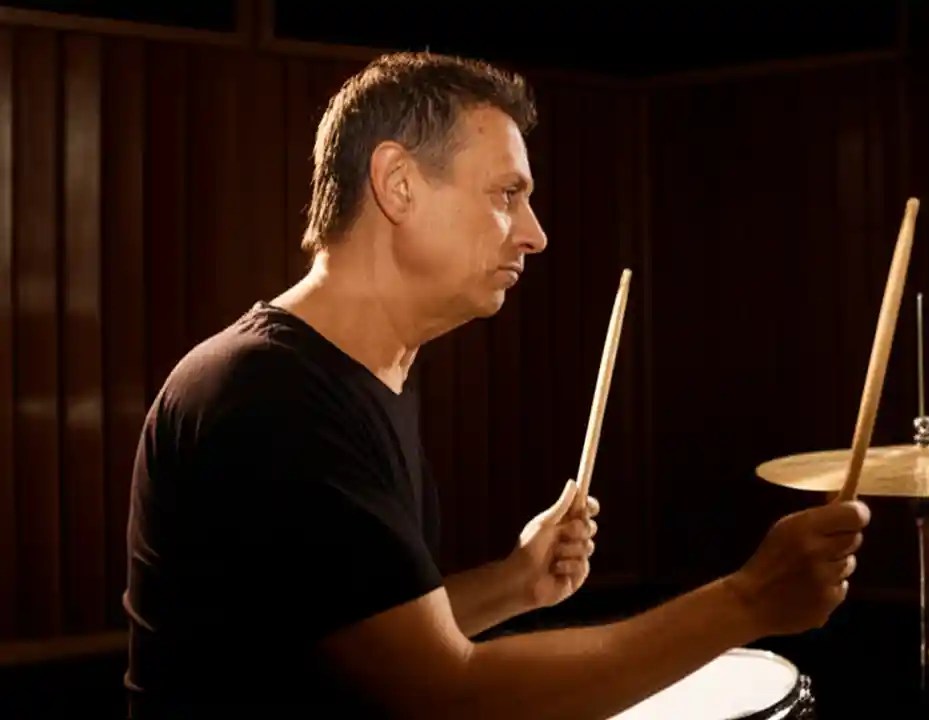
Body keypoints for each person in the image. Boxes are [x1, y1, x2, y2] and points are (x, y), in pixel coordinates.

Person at [123, 50, 871, 719]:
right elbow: (444, 694)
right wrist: (745, 601)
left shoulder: (357, 374)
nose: (534, 232)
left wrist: (515, 585)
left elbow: (356, 630)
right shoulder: (268, 397)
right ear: (398, 184)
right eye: (507, 193)